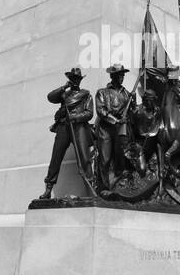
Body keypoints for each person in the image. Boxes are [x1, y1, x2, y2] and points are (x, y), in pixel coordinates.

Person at [38, 67, 95, 200]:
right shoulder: (64, 94)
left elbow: (89, 113)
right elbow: (50, 97)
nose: (75, 81)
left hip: (79, 127)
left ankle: (90, 189)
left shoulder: (86, 94)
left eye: (77, 79)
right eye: (72, 78)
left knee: (84, 159)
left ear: (80, 80)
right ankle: (48, 189)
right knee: (56, 158)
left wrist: (75, 117)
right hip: (63, 127)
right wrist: (64, 87)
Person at [94, 64, 133, 192]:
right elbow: (101, 110)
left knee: (121, 158)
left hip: (121, 129)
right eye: (119, 75)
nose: (122, 77)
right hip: (106, 129)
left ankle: (118, 187)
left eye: (123, 75)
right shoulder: (102, 92)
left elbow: (133, 113)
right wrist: (116, 120)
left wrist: (134, 106)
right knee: (104, 159)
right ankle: (103, 188)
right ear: (113, 76)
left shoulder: (127, 94)